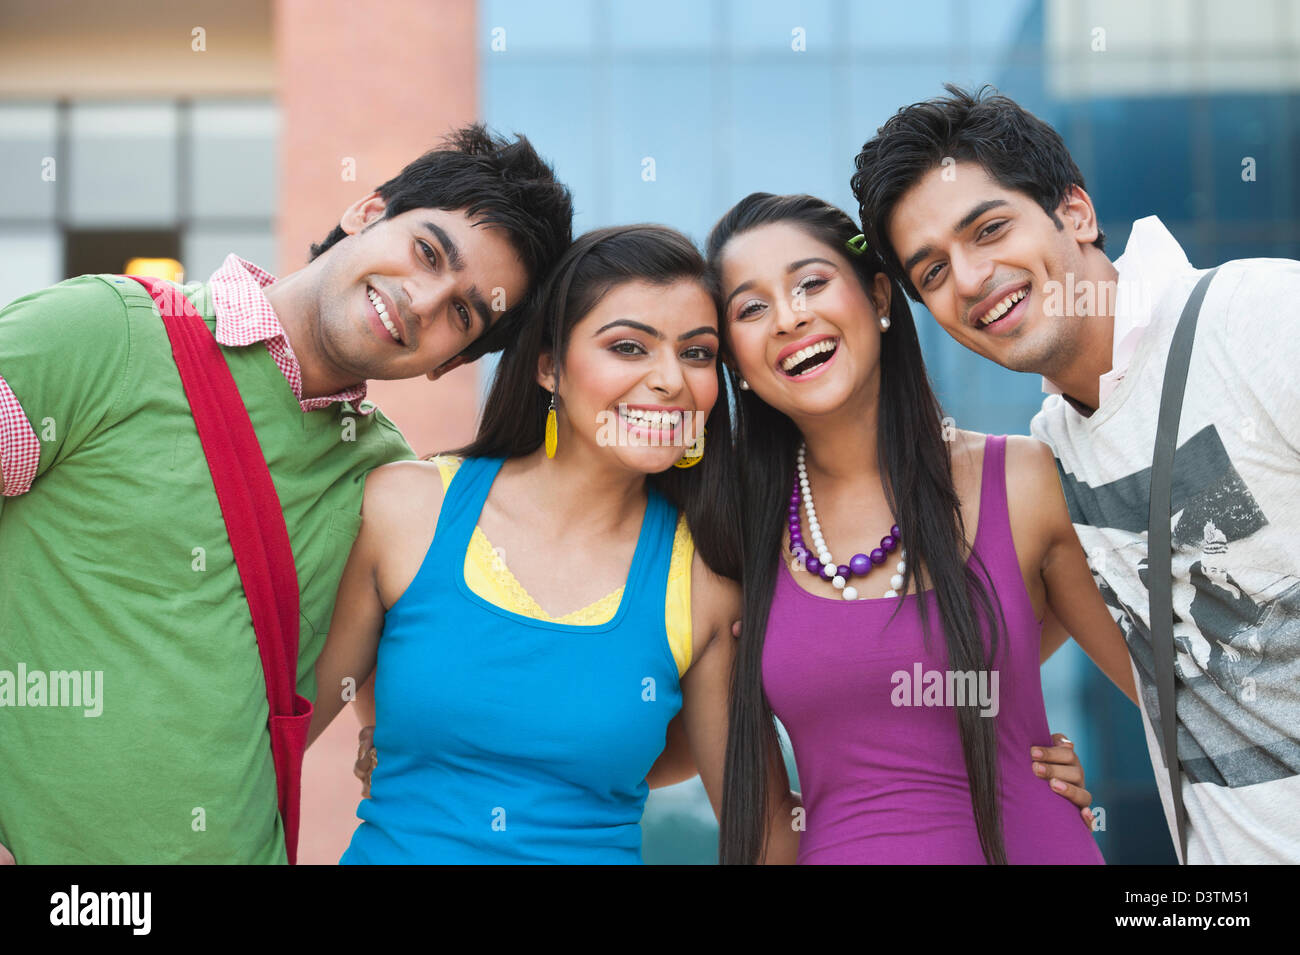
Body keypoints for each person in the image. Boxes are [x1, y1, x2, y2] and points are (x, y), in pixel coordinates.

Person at [0, 124, 573, 863]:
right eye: (428, 251)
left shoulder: (392, 492)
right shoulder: (107, 332)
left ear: (451, 362)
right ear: (368, 212)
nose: (423, 300)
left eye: (465, 313)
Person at [850, 84, 1300, 864]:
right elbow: (980, 654)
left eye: (989, 228)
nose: (970, 277)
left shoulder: (1258, 317)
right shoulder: (1051, 453)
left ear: (1077, 213)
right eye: (931, 272)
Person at [308, 224, 800, 863]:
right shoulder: (405, 508)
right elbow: (284, 735)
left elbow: (765, 835)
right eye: (629, 347)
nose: (670, 381)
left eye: (698, 353)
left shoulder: (706, 582)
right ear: (548, 366)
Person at [707, 192, 1137, 864]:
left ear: (880, 297)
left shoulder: (1022, 480)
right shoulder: (736, 534)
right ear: (735, 363)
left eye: (812, 282)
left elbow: (1174, 699)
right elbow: (762, 831)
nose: (790, 317)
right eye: (751, 308)